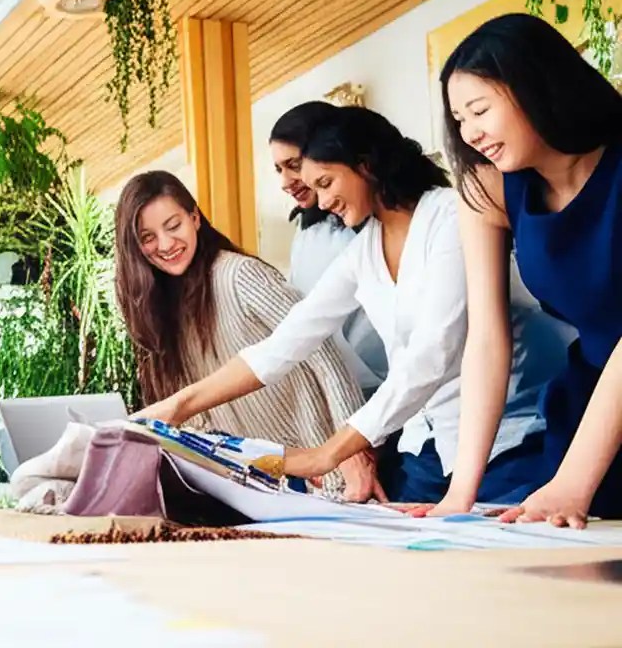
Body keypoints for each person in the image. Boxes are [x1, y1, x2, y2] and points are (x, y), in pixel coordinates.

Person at [137, 107, 551, 504]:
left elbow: (433, 353)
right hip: (426, 453)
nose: (319, 201)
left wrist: (330, 452)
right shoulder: (363, 251)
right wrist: (180, 406)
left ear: (365, 165)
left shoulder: (449, 216)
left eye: (326, 183)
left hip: (503, 448)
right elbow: (283, 345)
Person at [429, 12, 622, 526]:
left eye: (479, 110)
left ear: (535, 86)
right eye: (459, 119)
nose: (469, 133)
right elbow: (488, 338)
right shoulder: (487, 187)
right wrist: (459, 496)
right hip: (591, 405)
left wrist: (573, 483)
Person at [113, 170, 371, 498]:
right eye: (147, 237)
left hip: (325, 477)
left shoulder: (239, 276)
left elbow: (324, 354)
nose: (165, 244)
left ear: (194, 218)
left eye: (173, 225)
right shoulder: (162, 313)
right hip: (256, 489)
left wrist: (354, 449)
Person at [270, 101, 387, 398]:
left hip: (394, 390)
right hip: (347, 393)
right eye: (278, 169)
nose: (285, 182)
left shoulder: (381, 225)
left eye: (293, 165)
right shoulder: (307, 233)